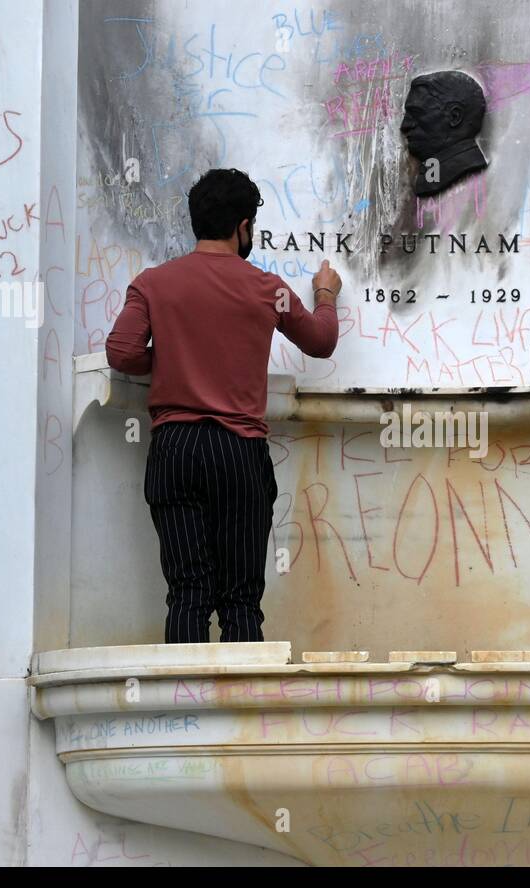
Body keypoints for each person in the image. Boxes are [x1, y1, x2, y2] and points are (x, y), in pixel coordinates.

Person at [105, 168, 342, 643]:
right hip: (239, 451)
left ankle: (184, 709)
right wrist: (325, 293)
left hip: (174, 450)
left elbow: (122, 351)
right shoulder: (265, 287)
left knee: (188, 591)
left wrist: (172, 354)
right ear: (242, 226)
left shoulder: (153, 283)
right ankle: (240, 710)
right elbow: (320, 341)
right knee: (240, 600)